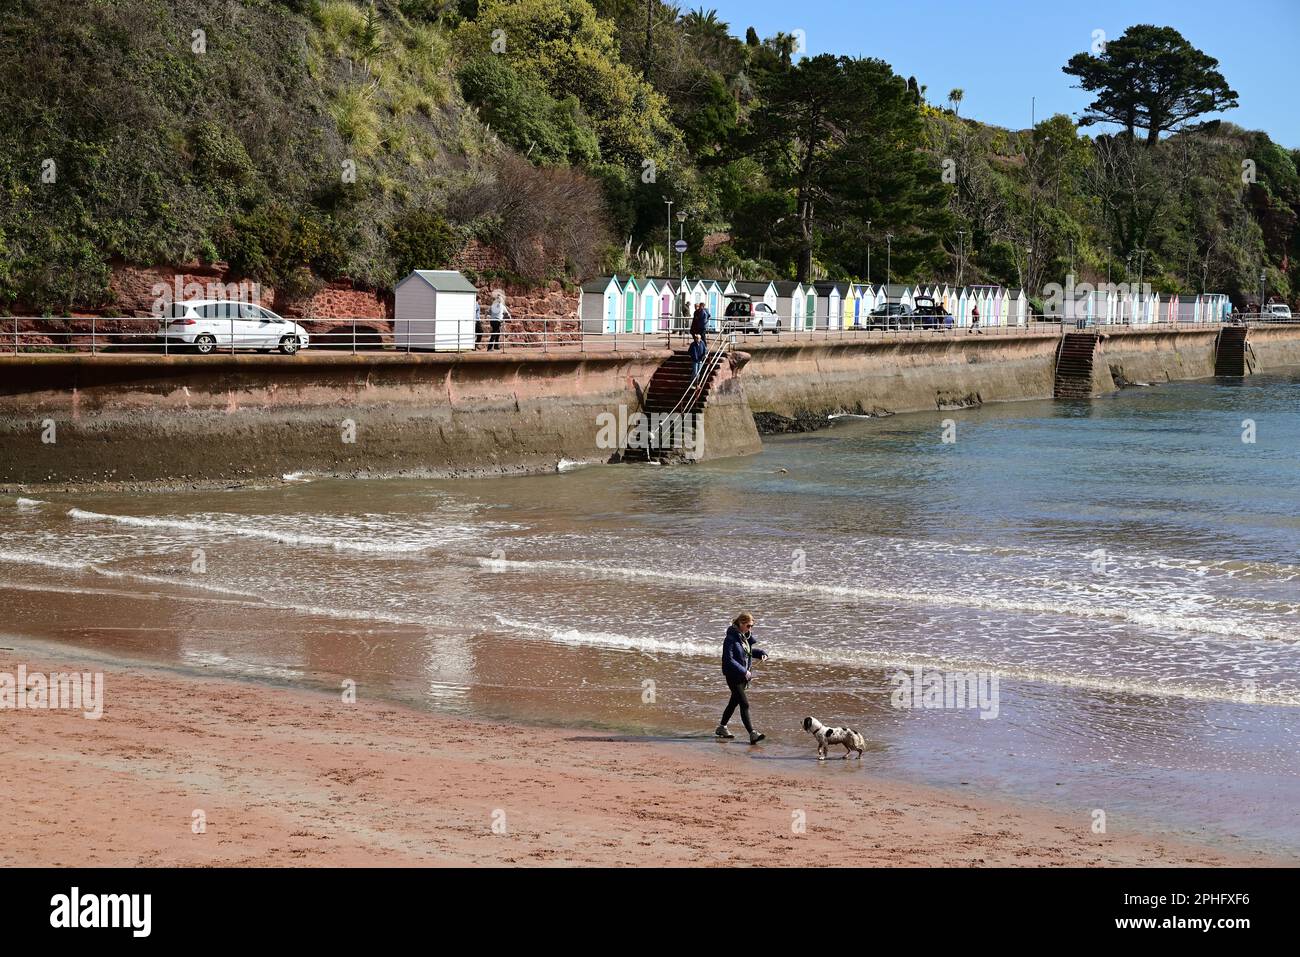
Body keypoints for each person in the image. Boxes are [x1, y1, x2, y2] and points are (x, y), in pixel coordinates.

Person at [716, 612, 767, 744]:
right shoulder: (730, 639)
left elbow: (748, 653)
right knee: (744, 703)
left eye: (752, 626)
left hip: (743, 677)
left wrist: (761, 653)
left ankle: (722, 727)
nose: (750, 629)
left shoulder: (744, 637)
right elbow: (728, 659)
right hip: (733, 676)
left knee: (733, 702)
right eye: (748, 626)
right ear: (740, 623)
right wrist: (744, 671)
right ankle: (752, 733)